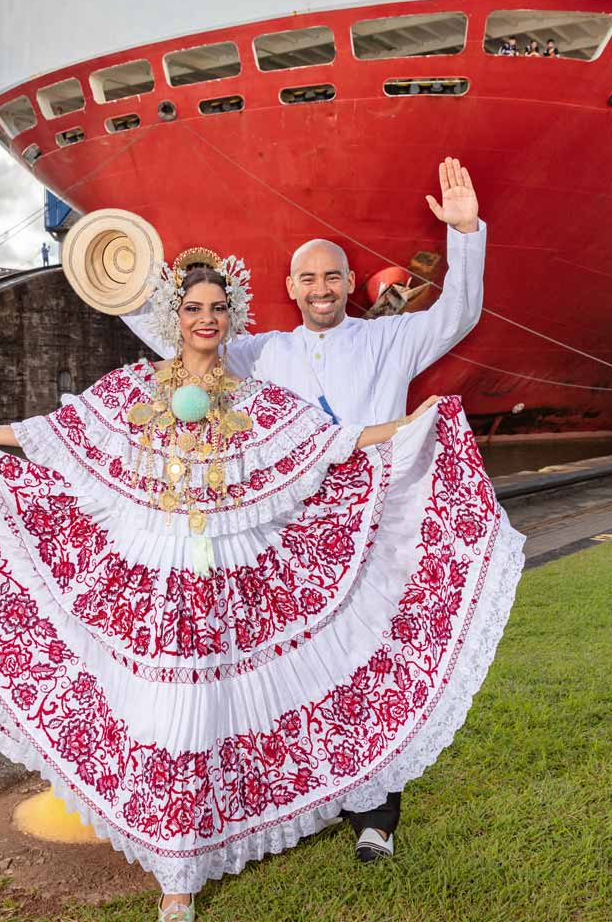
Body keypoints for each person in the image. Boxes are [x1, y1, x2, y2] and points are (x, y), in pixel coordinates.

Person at [0, 251, 524, 921]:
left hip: (231, 574)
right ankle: (176, 879)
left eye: (217, 310)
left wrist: (418, 424)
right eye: (193, 309)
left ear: (231, 318)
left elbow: (334, 442)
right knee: (169, 714)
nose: (206, 320)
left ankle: (251, 834)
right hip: (160, 575)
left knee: (226, 706)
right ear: (175, 318)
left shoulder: (257, 398)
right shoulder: (135, 387)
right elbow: (67, 434)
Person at [123, 157, 486, 860]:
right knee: (299, 677)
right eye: (308, 278)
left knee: (368, 671)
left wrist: (466, 232)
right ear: (291, 289)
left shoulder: (391, 339)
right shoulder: (263, 353)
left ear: (351, 284)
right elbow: (185, 343)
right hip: (289, 545)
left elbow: (460, 312)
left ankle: (375, 819)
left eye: (332, 276)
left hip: (374, 535)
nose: (321, 288)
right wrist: (126, 288)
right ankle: (308, 795)